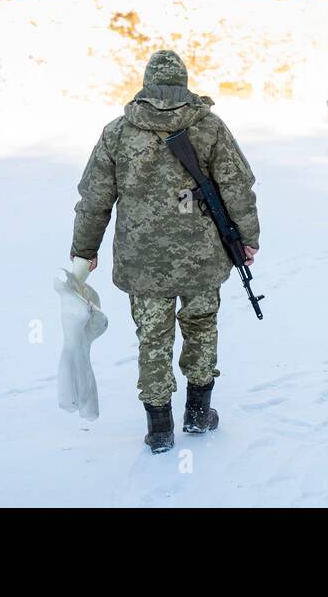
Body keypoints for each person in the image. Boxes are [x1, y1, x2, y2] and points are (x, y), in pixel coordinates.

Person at [70, 50, 260, 453]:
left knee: (152, 339)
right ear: (184, 84)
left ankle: (159, 429)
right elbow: (237, 187)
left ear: (146, 85)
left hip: (143, 264)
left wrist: (84, 250)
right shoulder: (209, 128)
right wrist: (248, 238)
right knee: (201, 327)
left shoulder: (118, 133)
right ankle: (197, 413)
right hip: (202, 259)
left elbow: (94, 199)